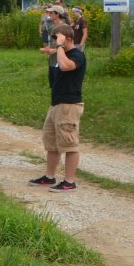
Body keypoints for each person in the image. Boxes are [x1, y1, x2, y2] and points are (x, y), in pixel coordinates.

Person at [29, 23, 86, 192]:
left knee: (69, 144)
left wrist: (59, 47)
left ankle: (69, 181)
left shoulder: (77, 55)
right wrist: (55, 50)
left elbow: (66, 66)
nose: (55, 40)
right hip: (56, 104)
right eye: (54, 38)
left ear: (68, 38)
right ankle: (49, 177)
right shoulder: (61, 54)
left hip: (69, 105)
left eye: (58, 37)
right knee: (52, 143)